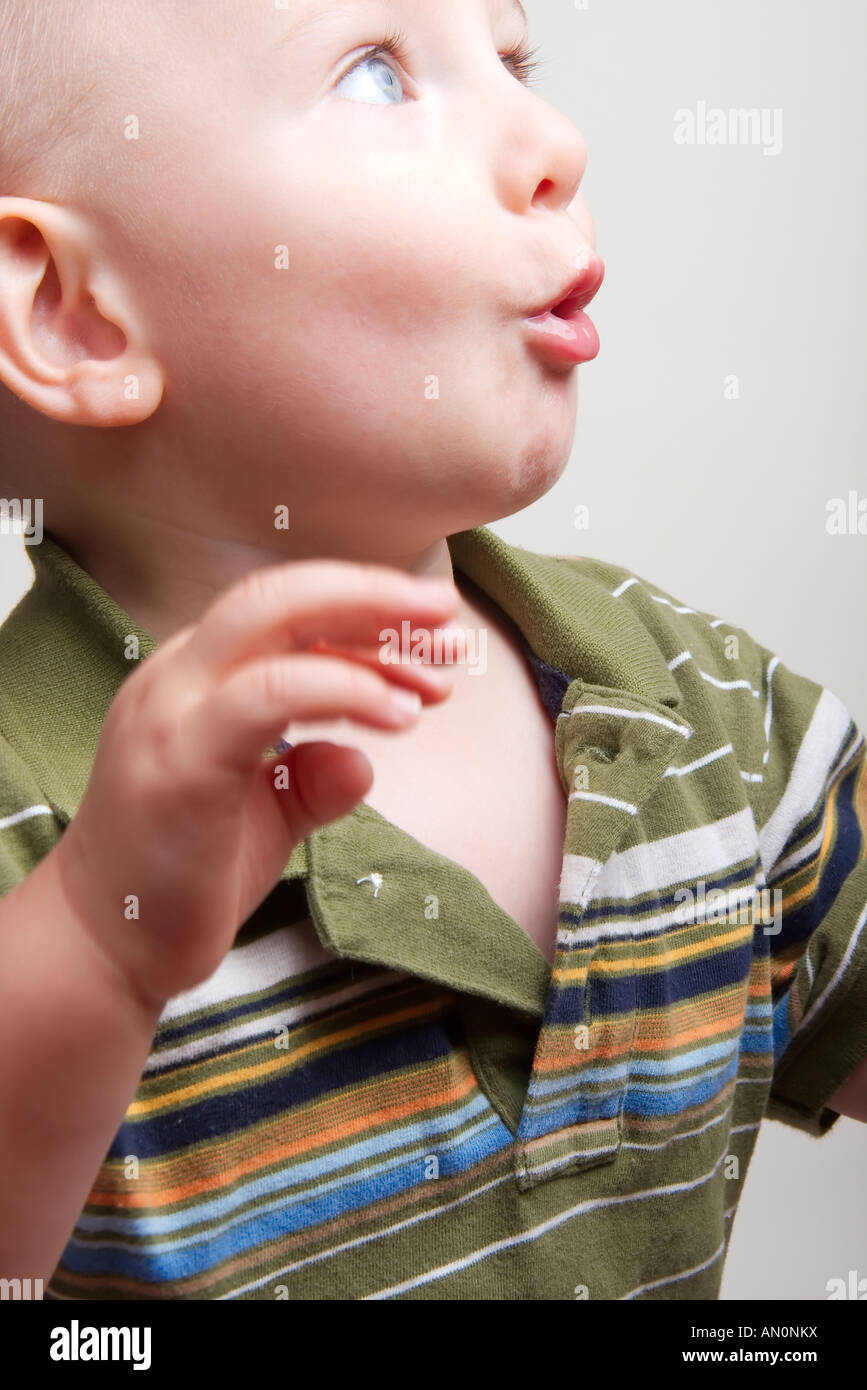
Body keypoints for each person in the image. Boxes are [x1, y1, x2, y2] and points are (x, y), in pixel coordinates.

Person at [0, 0, 864, 1301]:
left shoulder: (707, 712)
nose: (555, 139)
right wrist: (99, 947)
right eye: (376, 73)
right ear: (75, 311)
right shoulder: (32, 839)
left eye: (515, 61)